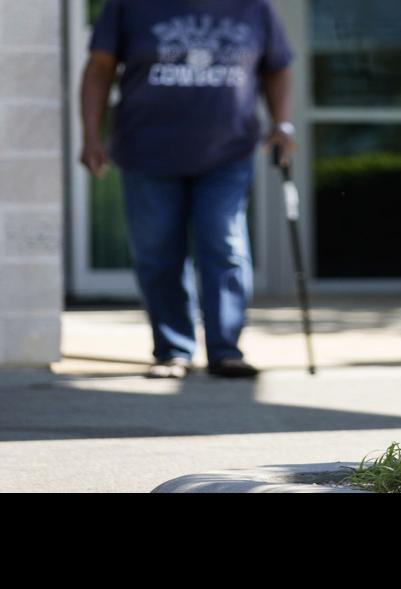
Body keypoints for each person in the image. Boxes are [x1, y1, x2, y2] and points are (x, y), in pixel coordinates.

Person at [79, 0, 296, 379]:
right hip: (147, 150)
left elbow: (276, 68)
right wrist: (91, 136)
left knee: (224, 242)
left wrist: (283, 124)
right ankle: (173, 351)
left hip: (228, 151)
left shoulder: (252, 7)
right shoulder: (128, 6)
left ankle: (226, 349)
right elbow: (99, 68)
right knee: (158, 250)